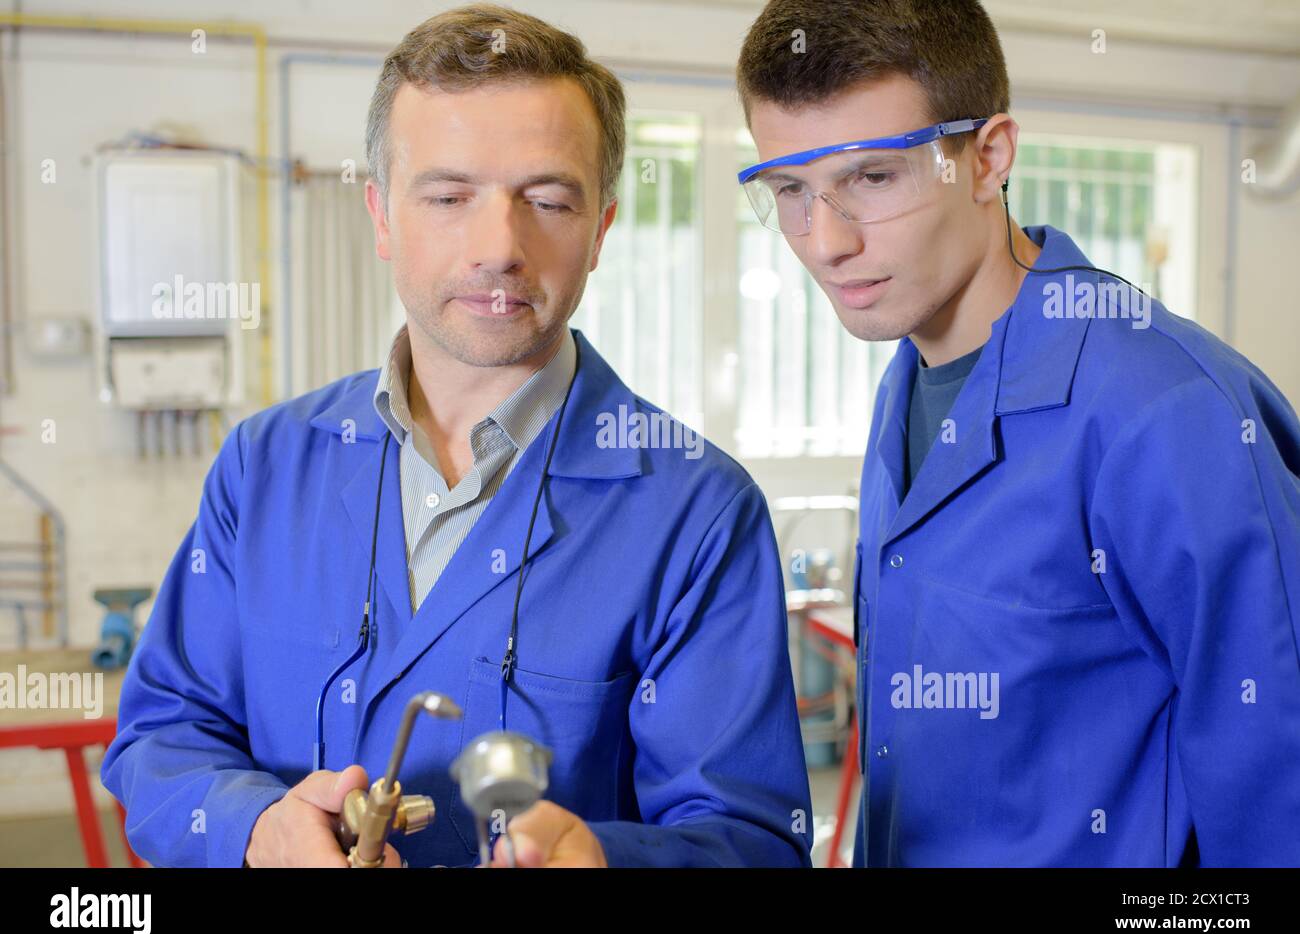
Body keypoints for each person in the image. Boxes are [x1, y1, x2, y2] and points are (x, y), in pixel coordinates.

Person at [102, 4, 812, 869]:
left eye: (547, 199)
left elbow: (752, 841)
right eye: (447, 196)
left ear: (601, 231)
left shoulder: (697, 512)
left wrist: (604, 860)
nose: (498, 245)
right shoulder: (264, 468)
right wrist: (255, 827)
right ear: (381, 215)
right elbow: (160, 735)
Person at [736, 0, 1300, 865]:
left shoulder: (1171, 412)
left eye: (874, 178)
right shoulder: (907, 386)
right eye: (790, 191)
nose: (826, 242)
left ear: (988, 158)